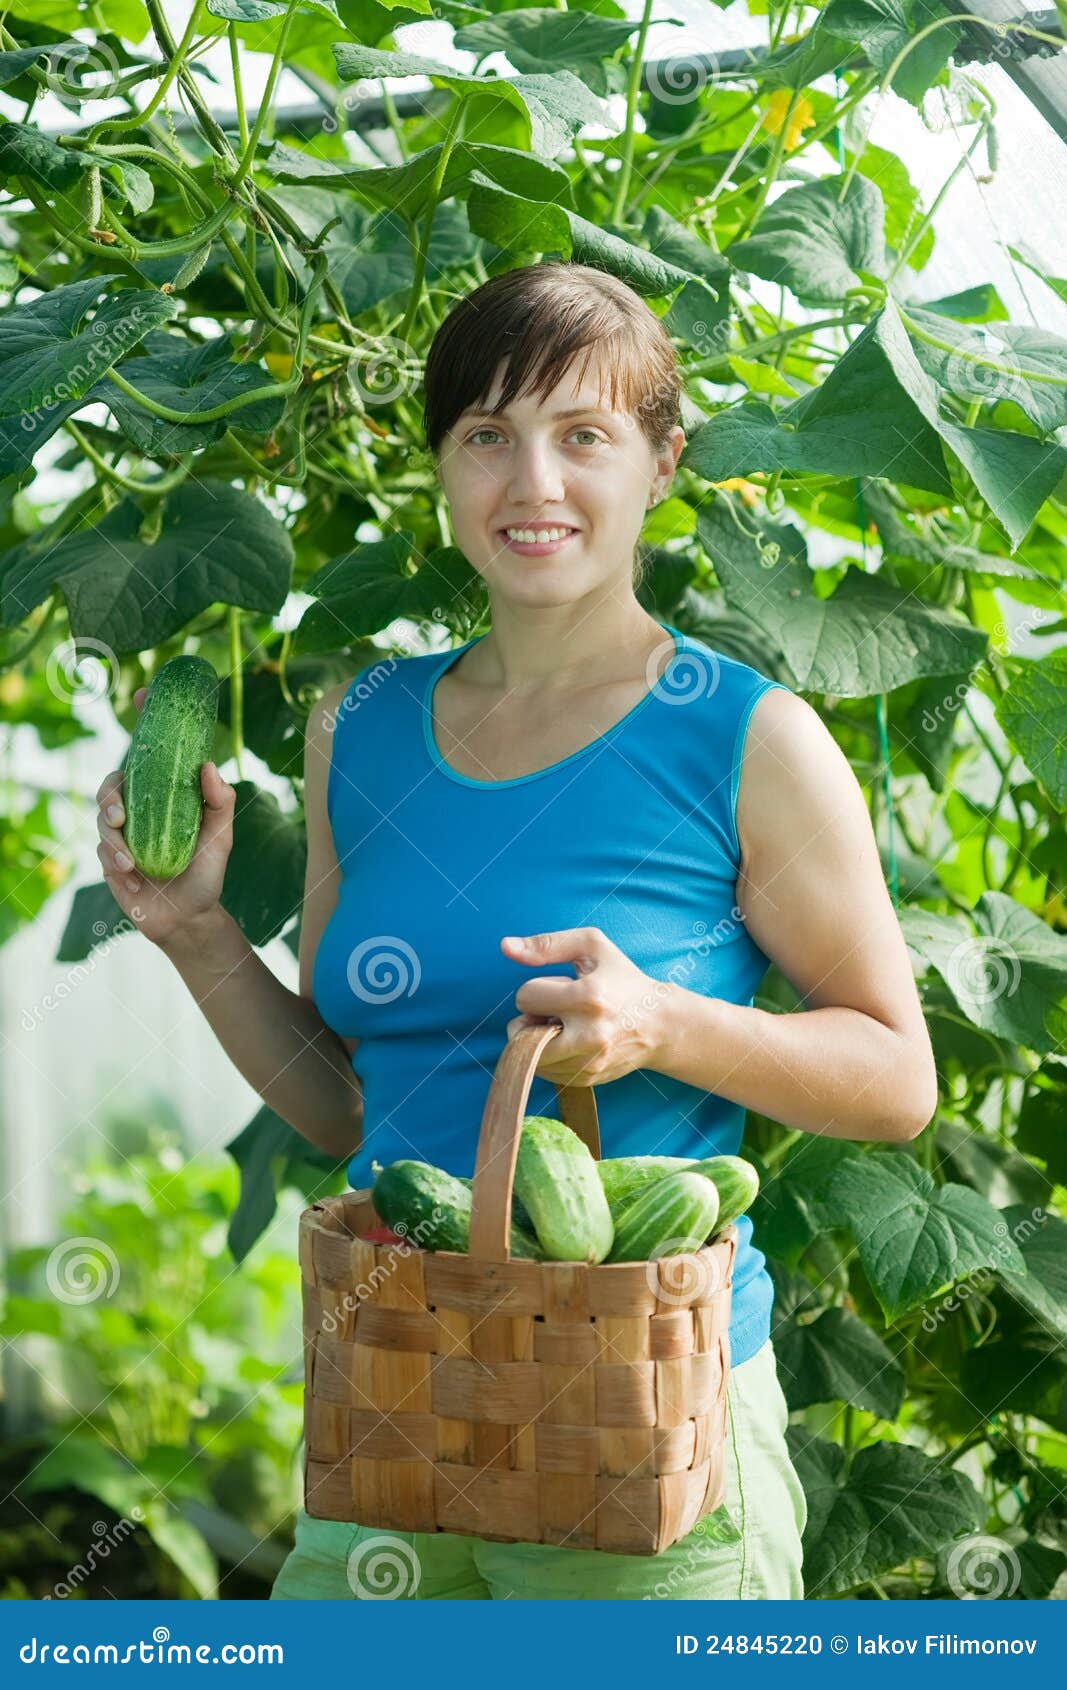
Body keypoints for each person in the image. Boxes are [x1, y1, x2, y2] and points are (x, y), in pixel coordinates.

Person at [95, 261, 938, 1601]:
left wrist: (665, 1023)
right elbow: (352, 1111)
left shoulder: (746, 737)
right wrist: (197, 936)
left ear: (662, 464)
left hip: (639, 1424)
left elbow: (899, 1081)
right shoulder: (358, 728)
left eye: (583, 436)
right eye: (487, 435)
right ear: (441, 466)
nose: (532, 483)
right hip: (398, 1402)